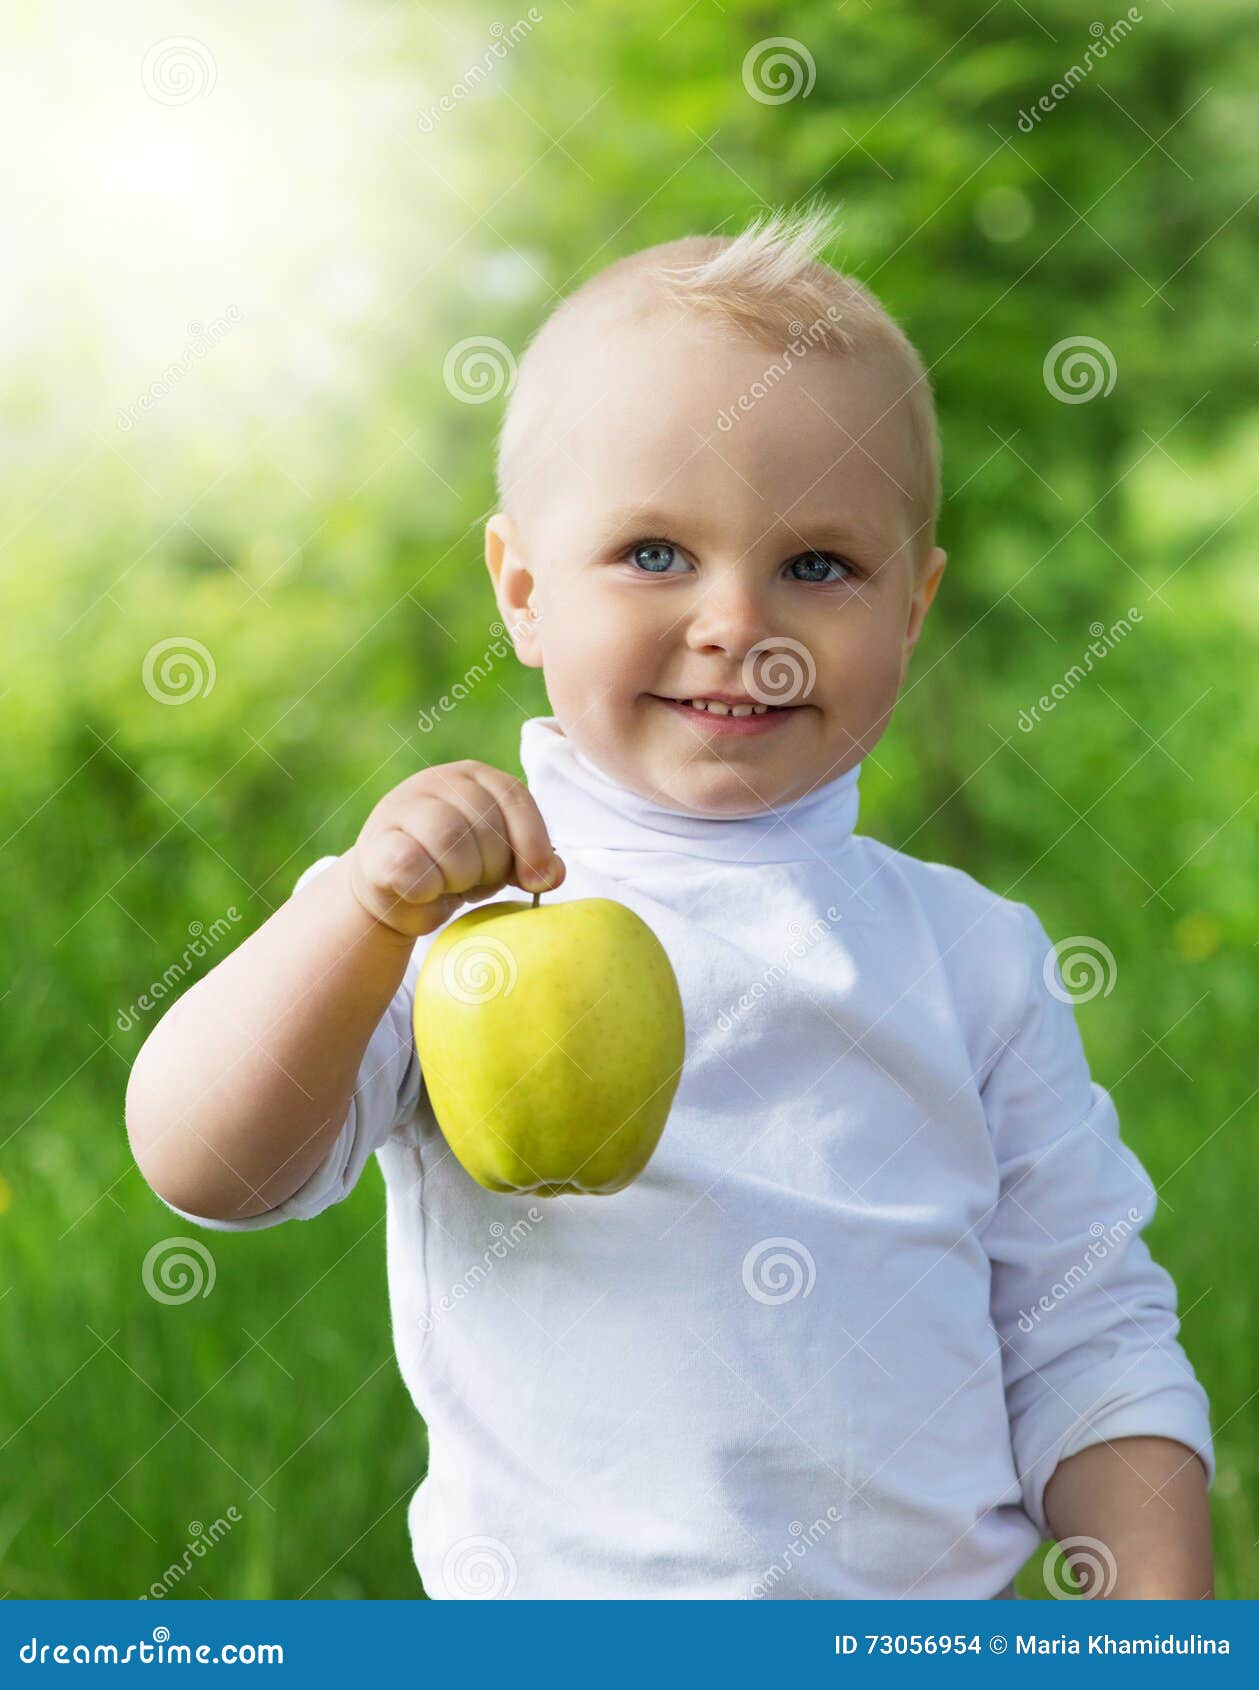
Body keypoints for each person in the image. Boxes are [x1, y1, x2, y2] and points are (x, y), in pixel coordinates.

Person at [126, 205, 1214, 1600]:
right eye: (653, 553)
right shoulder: (451, 926)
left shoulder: (973, 960)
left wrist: (1160, 1629)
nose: (734, 622)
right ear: (521, 590)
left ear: (914, 606)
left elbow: (1089, 1333)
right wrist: (356, 911)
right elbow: (209, 1164)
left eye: (818, 564)